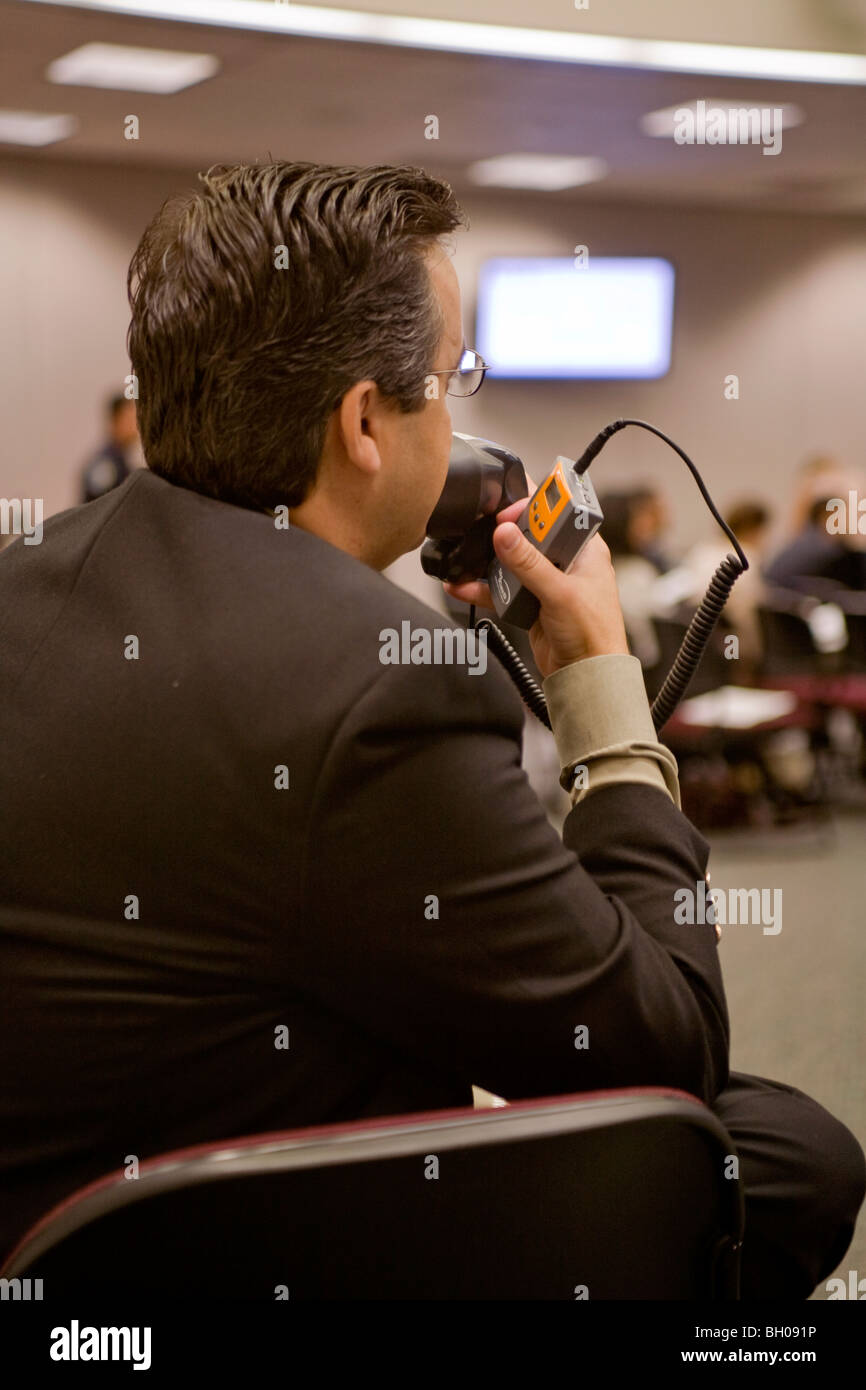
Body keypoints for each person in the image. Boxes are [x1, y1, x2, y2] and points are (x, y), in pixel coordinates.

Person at [0, 162, 862, 1299]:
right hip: (246, 1247)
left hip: (61, 1244)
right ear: (365, 422)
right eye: (450, 378)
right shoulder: (377, 682)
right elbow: (663, 1050)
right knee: (787, 1153)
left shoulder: (27, 582)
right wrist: (600, 687)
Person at [79, 392, 141, 502]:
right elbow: (98, 507)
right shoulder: (106, 464)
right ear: (115, 420)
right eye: (130, 419)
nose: (136, 426)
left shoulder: (120, 461)